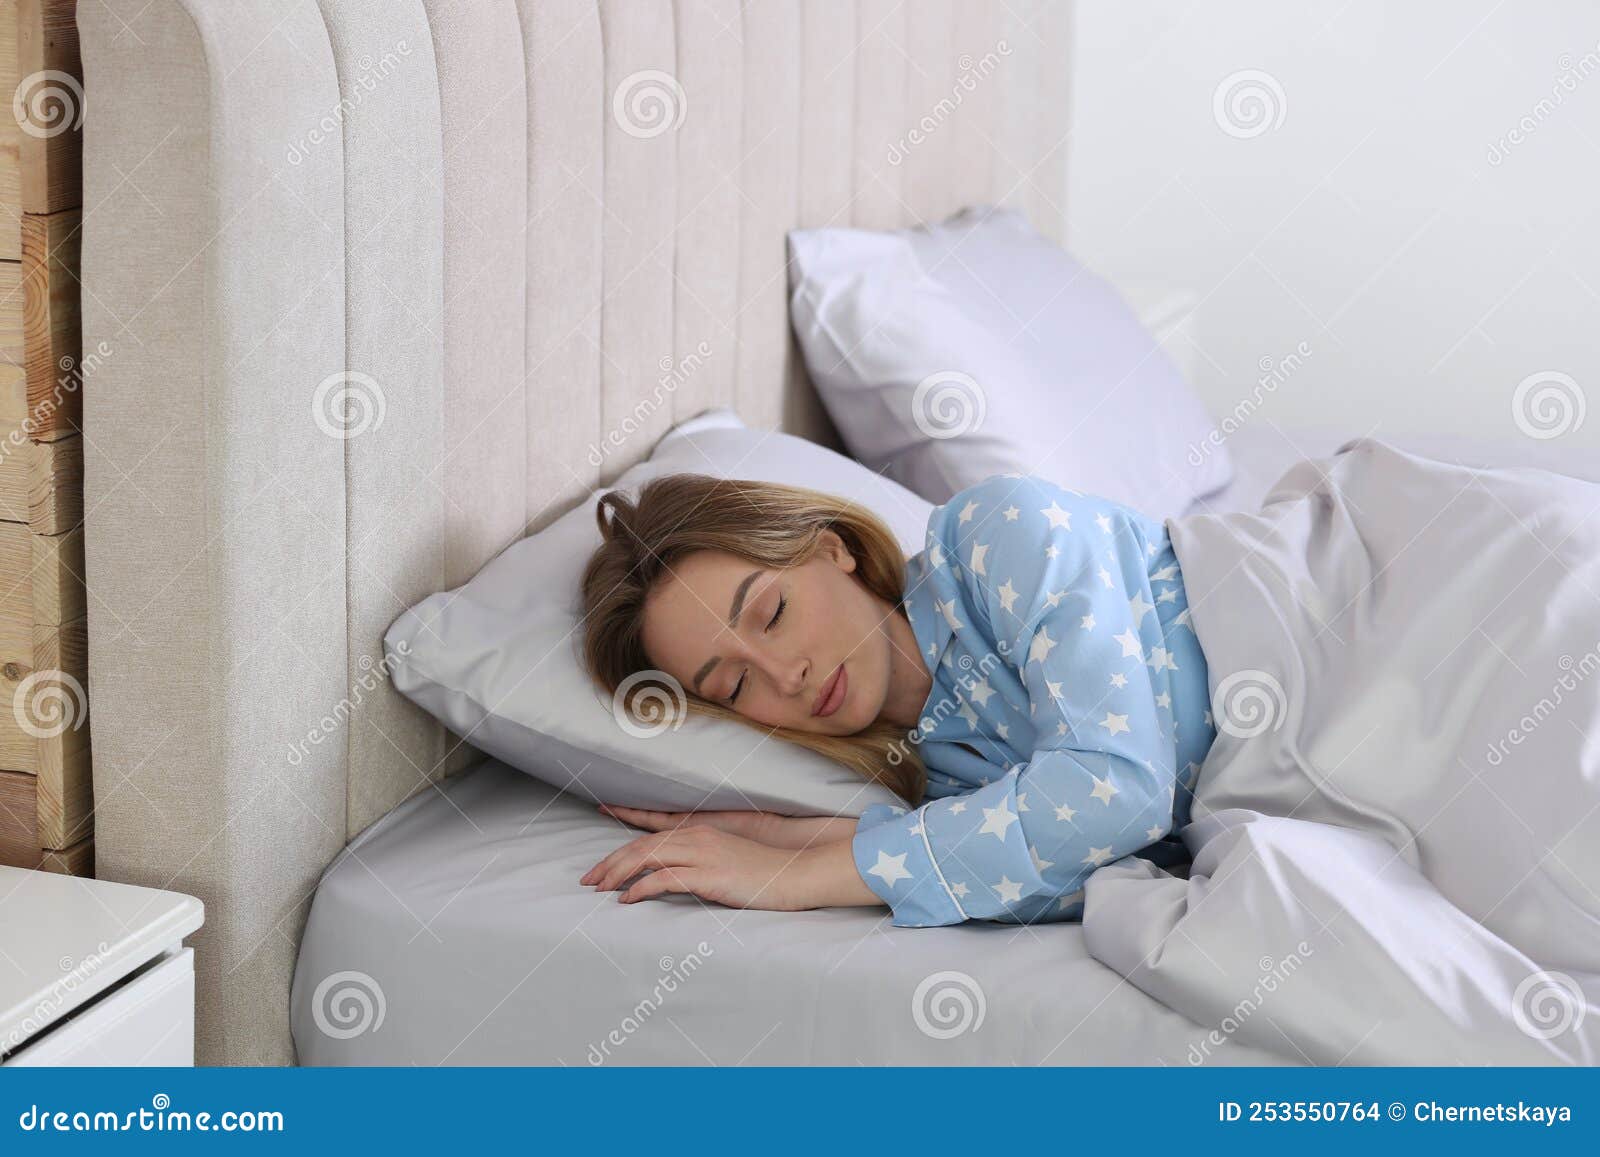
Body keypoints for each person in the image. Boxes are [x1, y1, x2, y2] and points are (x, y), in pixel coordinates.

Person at [578, 472, 1212, 926]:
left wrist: (795, 877)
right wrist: (783, 833)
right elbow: (1090, 872)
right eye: (735, 685)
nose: (784, 675)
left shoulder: (996, 534)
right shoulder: (931, 779)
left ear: (832, 548)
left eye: (772, 614)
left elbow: (1118, 791)